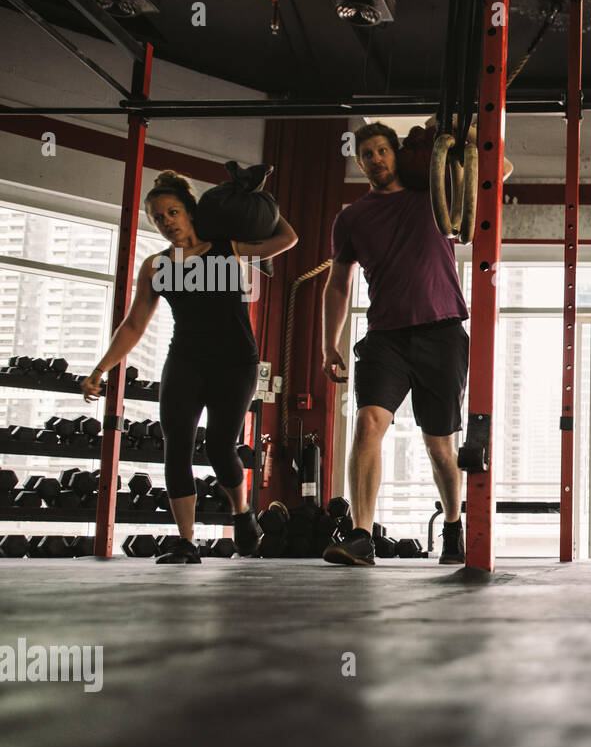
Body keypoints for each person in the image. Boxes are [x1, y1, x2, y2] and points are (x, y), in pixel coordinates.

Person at [81, 170, 298, 563]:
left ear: (189, 212)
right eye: (158, 217)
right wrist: (101, 369)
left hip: (236, 363)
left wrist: (260, 201)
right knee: (176, 446)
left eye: (172, 212)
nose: (166, 222)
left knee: (219, 446)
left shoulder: (229, 249)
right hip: (185, 361)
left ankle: (242, 513)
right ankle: (186, 542)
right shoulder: (156, 266)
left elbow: (287, 238)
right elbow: (133, 324)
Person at [320, 120, 512, 566]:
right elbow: (337, 285)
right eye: (367, 154)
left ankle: (453, 527)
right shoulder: (350, 218)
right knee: (368, 423)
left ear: (396, 152)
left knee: (439, 446)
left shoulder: (434, 196)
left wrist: (460, 131)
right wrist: (330, 344)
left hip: (441, 333)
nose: (376, 160)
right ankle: (361, 535)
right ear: (359, 163)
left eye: (382, 150)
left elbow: (499, 169)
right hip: (384, 337)